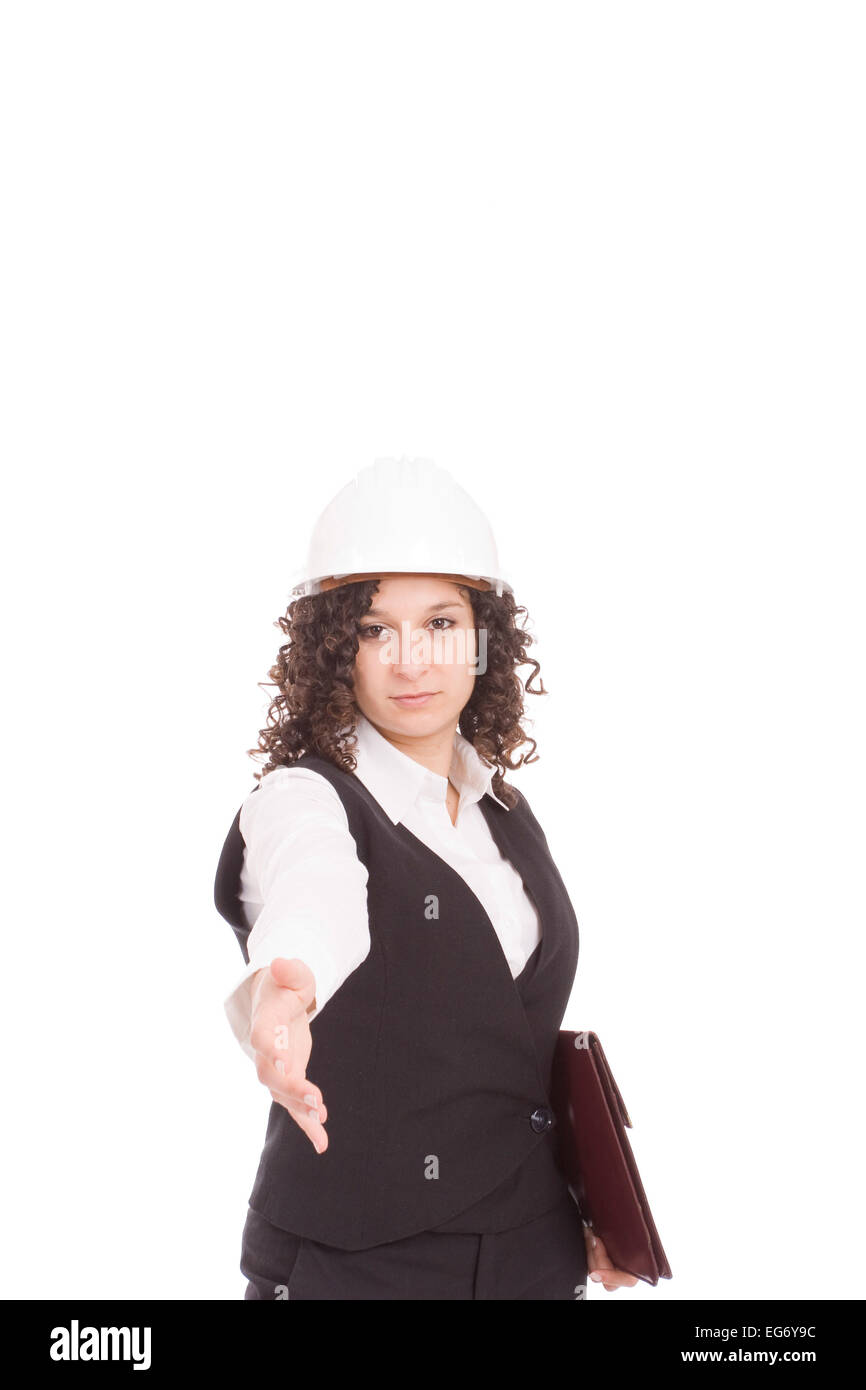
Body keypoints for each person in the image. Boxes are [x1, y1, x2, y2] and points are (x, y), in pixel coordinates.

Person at [214, 457, 638, 1299]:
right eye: (375, 630)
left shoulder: (503, 813)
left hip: (534, 1260)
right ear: (338, 650)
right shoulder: (303, 801)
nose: (412, 661)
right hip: (356, 1268)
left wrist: (585, 1206)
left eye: (441, 624)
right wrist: (286, 989)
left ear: (485, 641)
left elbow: (504, 1050)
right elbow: (316, 899)